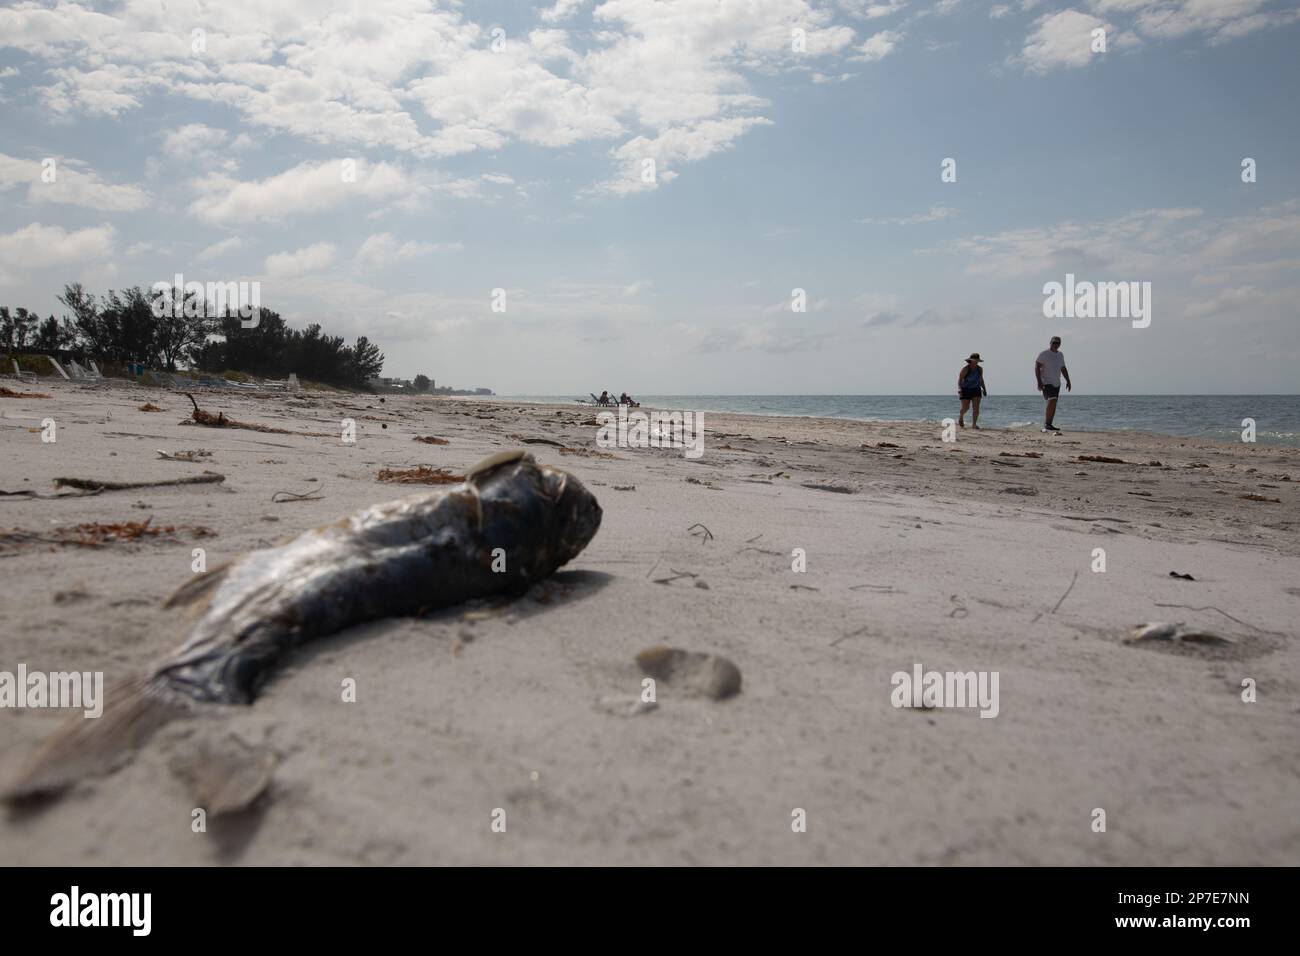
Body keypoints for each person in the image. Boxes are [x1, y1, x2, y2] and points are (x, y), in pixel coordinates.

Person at [1034, 335, 1071, 433]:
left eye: (1057, 343)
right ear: (1050, 343)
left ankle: (1049, 424)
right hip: (1046, 382)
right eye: (1054, 342)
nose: (1055, 344)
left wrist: (1068, 380)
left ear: (1060, 344)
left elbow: (1063, 368)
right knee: (1052, 400)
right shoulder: (1044, 354)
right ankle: (1047, 424)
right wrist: (1039, 382)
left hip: (1056, 383)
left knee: (1053, 403)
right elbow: (1037, 367)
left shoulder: (1060, 355)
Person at [957, 353, 987, 429]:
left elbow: (981, 379)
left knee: (976, 407)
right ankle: (961, 416)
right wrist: (960, 389)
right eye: (974, 360)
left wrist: (984, 389)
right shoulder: (966, 369)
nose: (976, 362)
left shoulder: (980, 369)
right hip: (965, 389)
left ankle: (974, 424)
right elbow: (960, 379)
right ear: (970, 360)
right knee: (966, 408)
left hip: (976, 389)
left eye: (977, 361)